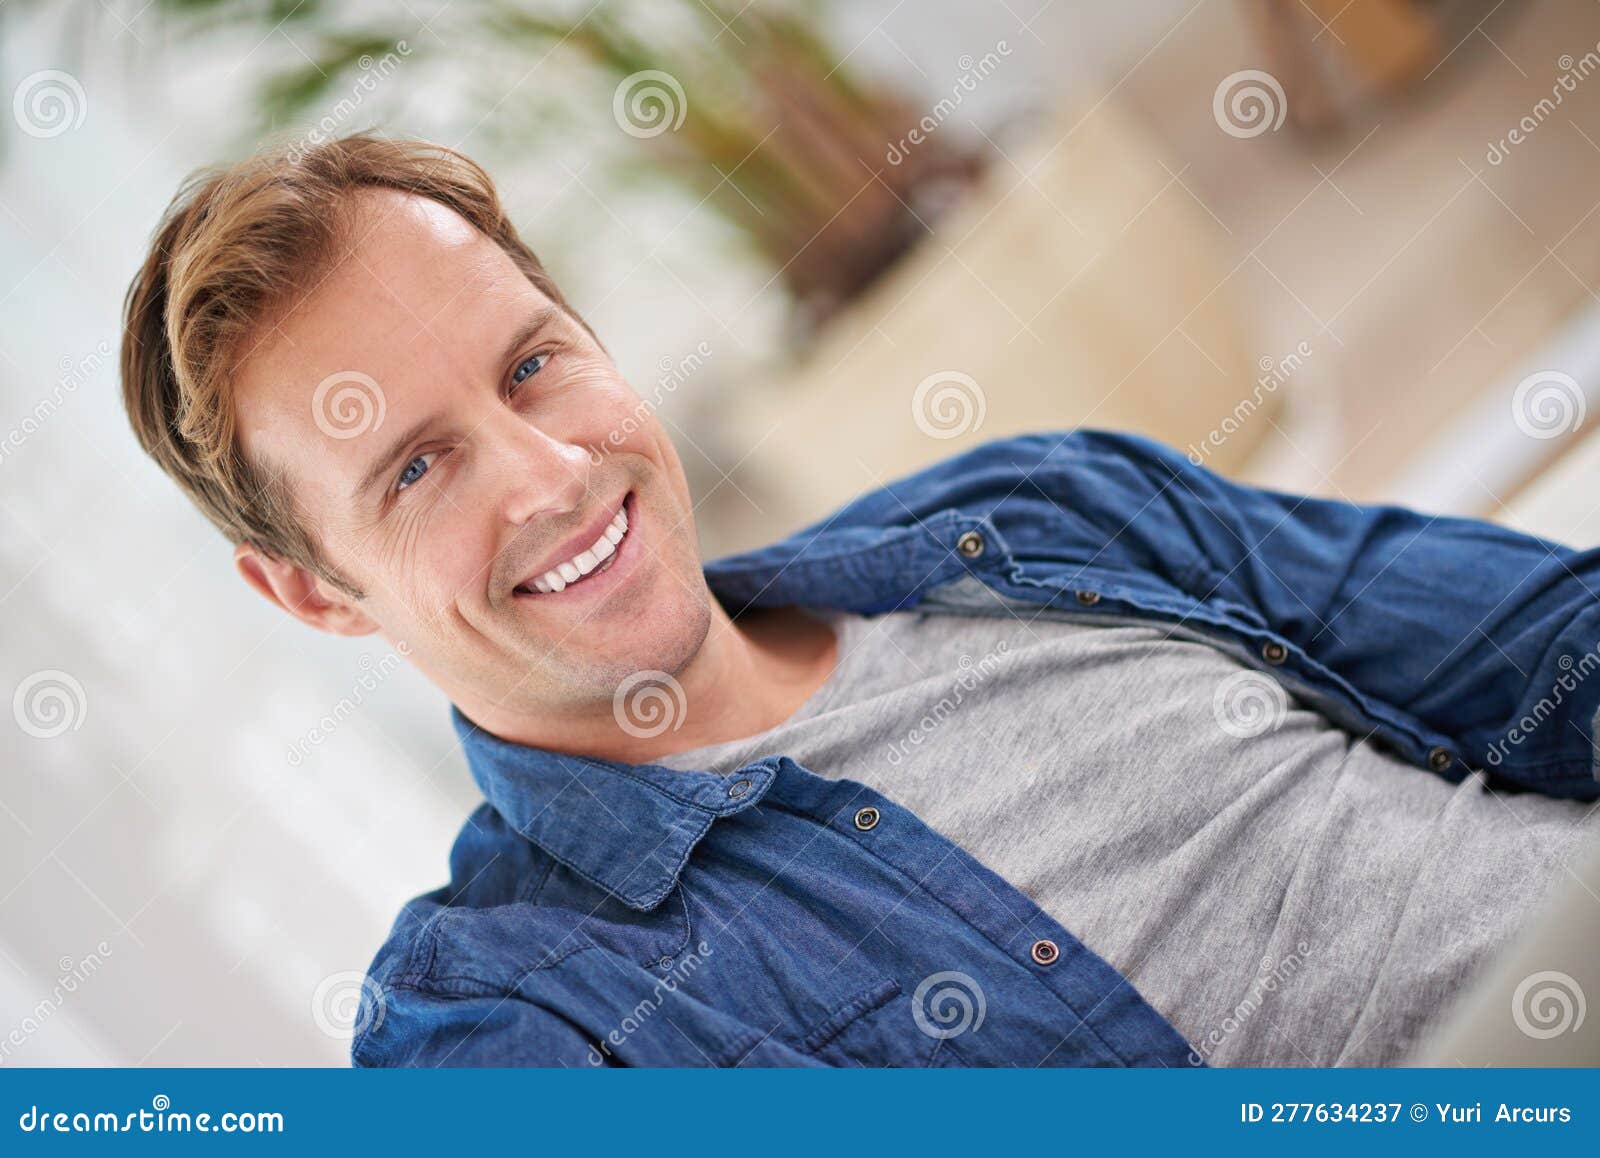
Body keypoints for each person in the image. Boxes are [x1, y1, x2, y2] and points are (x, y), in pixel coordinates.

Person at [121, 132, 1600, 1068]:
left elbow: (1543, 648)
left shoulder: (1033, 508)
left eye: (531, 365)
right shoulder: (510, 1019)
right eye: (420, 467)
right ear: (313, 595)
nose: (553, 474)